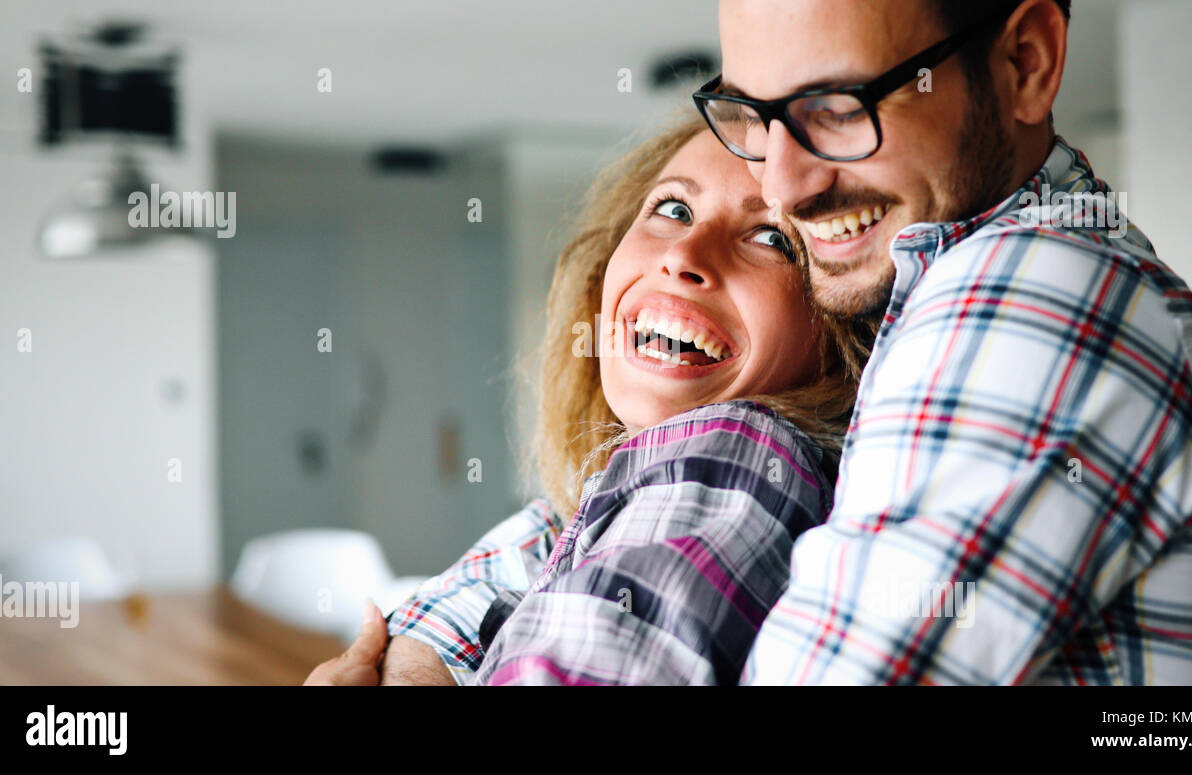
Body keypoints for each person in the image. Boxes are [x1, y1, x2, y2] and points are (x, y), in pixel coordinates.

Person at [704, 0, 1192, 684]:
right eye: (754, 117)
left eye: (838, 106)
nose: (781, 187)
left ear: (1026, 62)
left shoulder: (1035, 286)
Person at [307, 119, 875, 686]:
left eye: (773, 238)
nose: (684, 255)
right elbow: (484, 580)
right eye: (674, 209)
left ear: (841, 335)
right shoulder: (610, 487)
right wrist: (417, 664)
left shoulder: (739, 451)